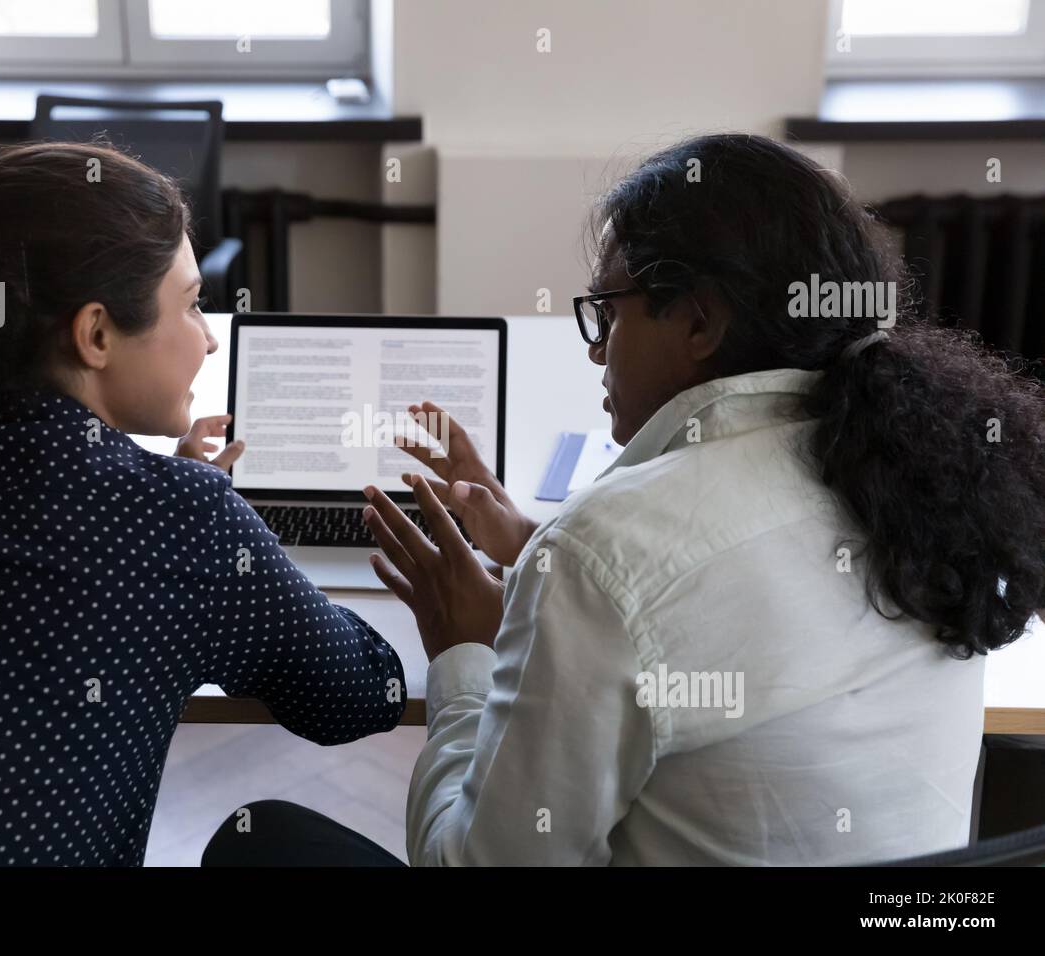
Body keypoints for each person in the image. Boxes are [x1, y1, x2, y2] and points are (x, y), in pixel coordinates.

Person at [204, 133, 1044, 866]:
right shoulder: (918, 477)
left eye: (608, 310)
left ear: (699, 324)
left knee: (257, 838)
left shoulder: (608, 550)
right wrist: (533, 543)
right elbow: (705, 582)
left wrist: (463, 652)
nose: (597, 350)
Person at [0, 143, 405, 867]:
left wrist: (179, 507)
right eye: (192, 306)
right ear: (96, 333)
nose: (210, 338)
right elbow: (363, 694)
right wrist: (213, 529)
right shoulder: (182, 519)